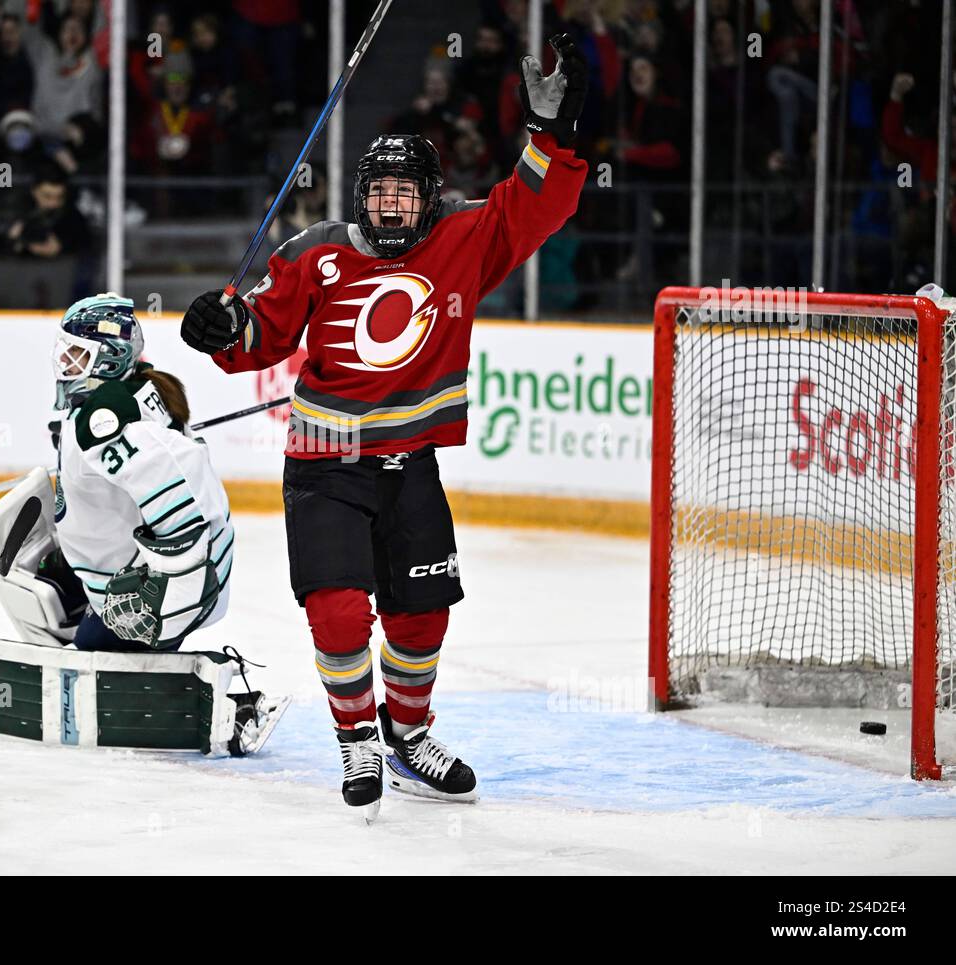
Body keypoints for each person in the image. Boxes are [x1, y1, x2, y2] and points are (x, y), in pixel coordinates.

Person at [179, 35, 588, 815]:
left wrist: (551, 135)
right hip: (325, 462)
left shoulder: (463, 238)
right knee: (338, 610)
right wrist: (222, 330)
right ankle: (357, 737)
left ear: (431, 197)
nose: (391, 205)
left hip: (411, 462)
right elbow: (259, 334)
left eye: (405, 192)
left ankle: (408, 735)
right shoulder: (318, 252)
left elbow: (538, 206)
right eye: (379, 191)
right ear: (360, 195)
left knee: (422, 614)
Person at [50, 293, 233, 652]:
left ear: (108, 358)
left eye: (76, 353)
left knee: (84, 651)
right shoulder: (137, 389)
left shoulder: (102, 418)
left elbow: (181, 482)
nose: (64, 362)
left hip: (130, 599)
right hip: (114, 576)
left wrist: (175, 587)